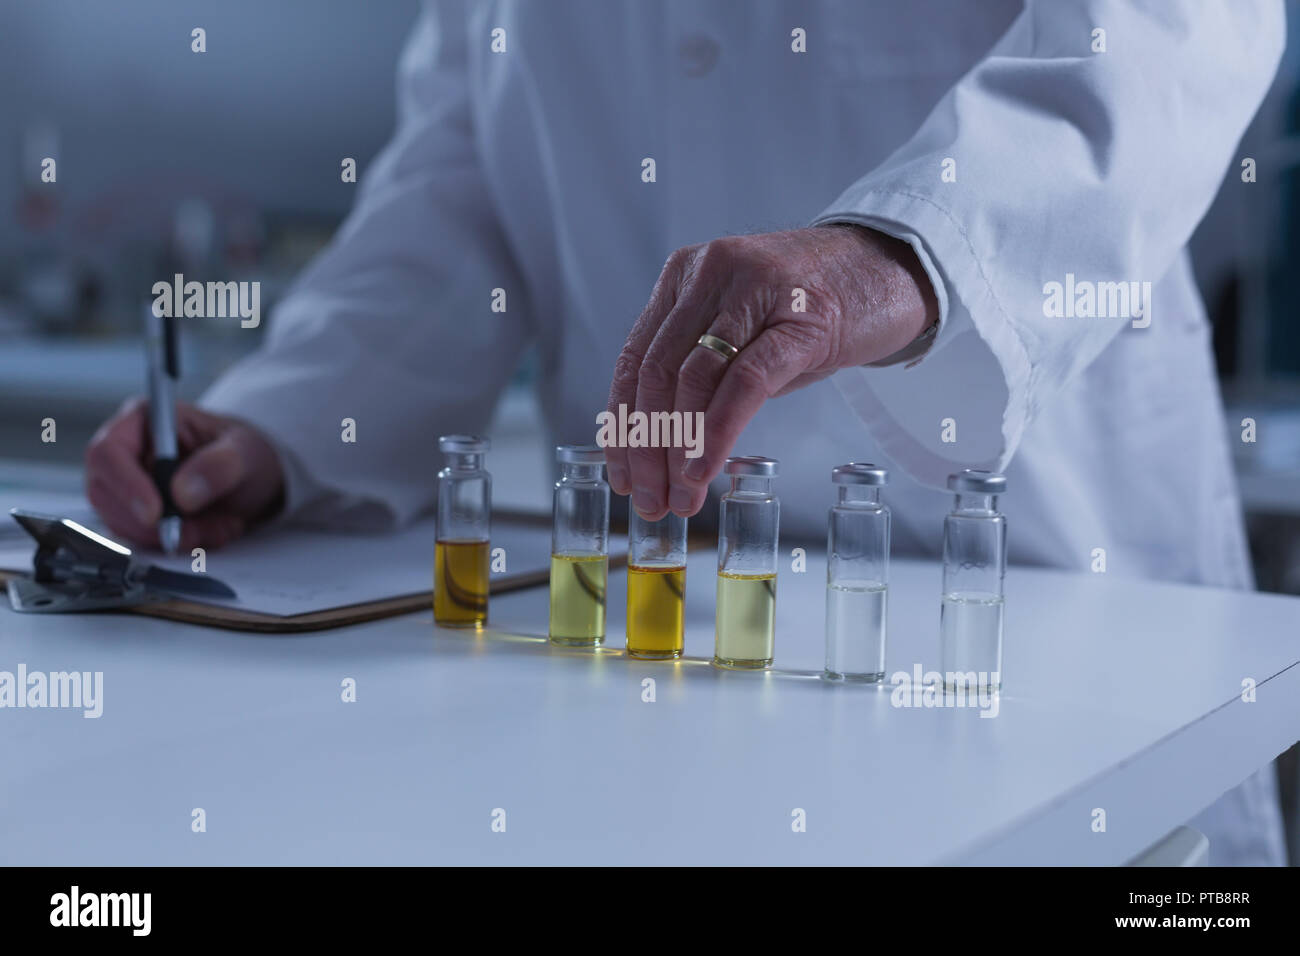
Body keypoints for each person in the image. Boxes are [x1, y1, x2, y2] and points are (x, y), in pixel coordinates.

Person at [84, 0, 1288, 864]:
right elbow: (458, 168)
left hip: (1037, 573)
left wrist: (904, 248)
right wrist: (286, 421)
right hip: (641, 623)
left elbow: (1179, 27)